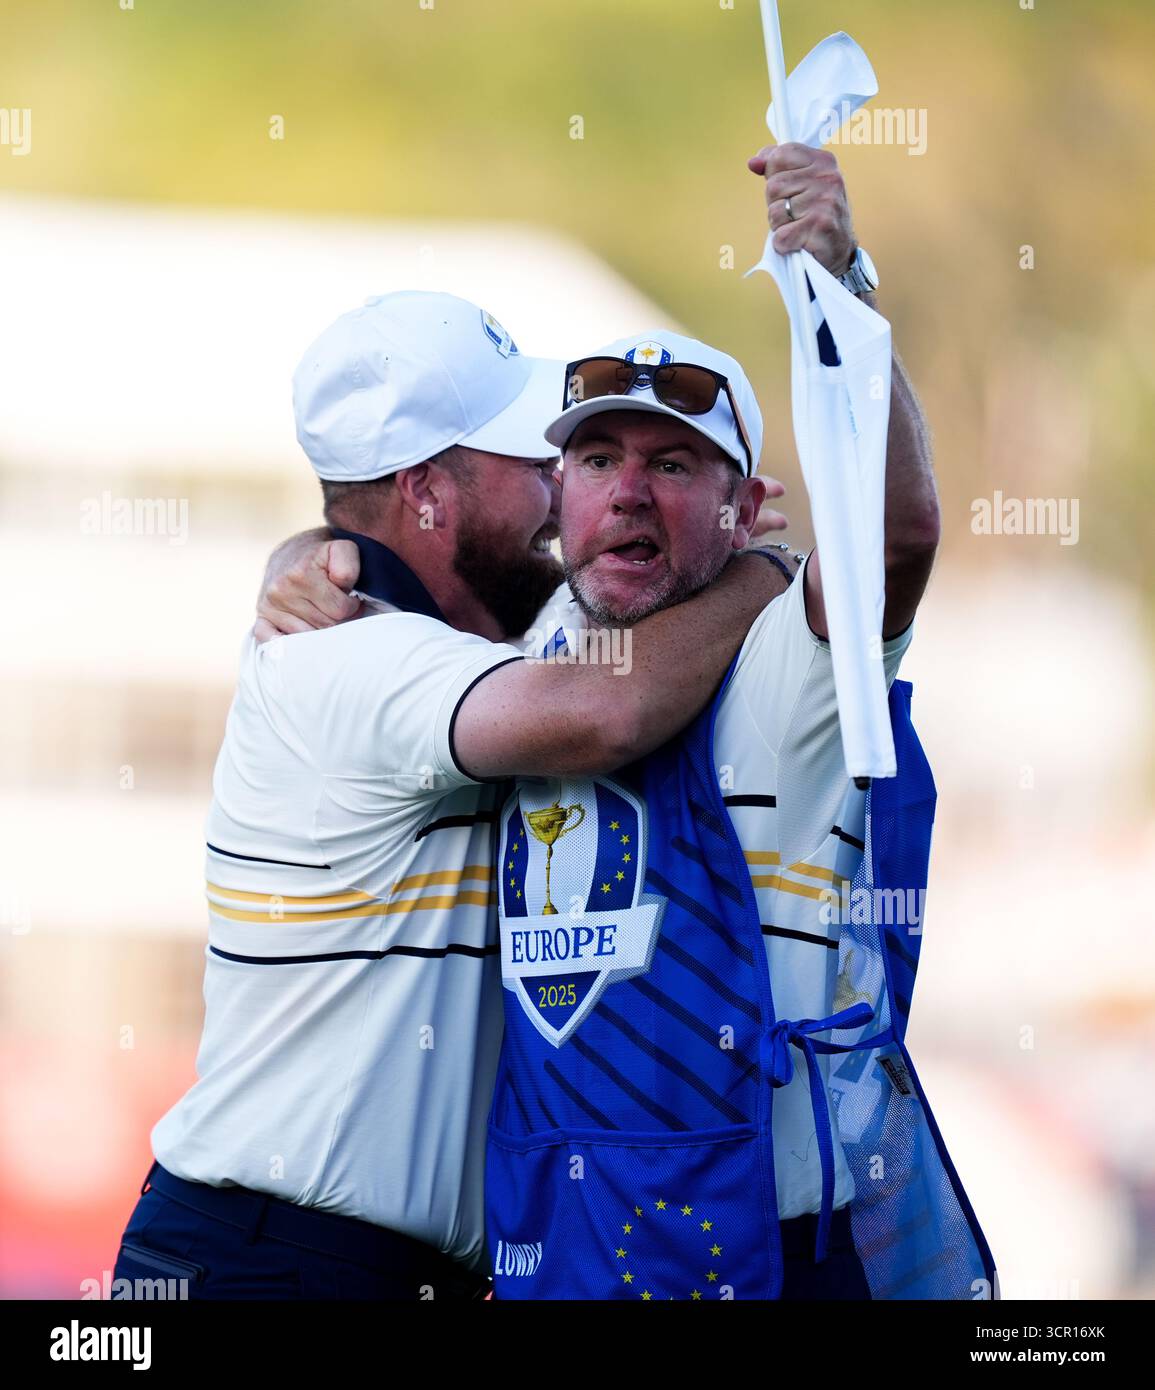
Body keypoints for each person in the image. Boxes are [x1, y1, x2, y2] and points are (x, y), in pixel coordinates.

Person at [260, 143, 997, 1300]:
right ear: (559, 497)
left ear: (749, 506)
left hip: (774, 1253)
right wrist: (310, 554)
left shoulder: (785, 652)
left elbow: (895, 534)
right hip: (568, 1257)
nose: (630, 489)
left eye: (676, 463)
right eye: (597, 457)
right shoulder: (536, 635)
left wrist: (845, 285)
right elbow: (421, 569)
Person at [110, 290, 786, 1300]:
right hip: (272, 1260)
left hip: (320, 1260)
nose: (562, 498)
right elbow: (609, 708)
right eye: (530, 467)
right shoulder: (359, 659)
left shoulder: (416, 638)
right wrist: (765, 572)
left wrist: (299, 551)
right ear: (428, 490)